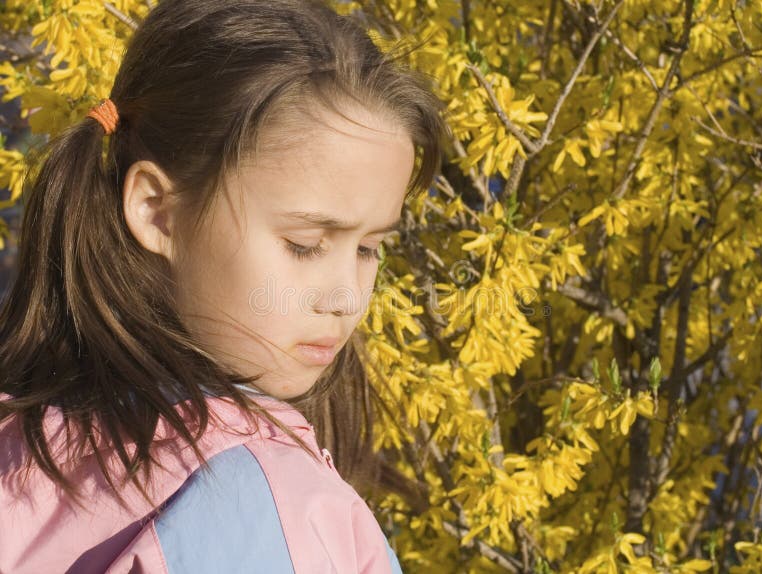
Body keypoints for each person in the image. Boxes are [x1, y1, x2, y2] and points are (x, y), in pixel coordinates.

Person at [0, 0, 448, 572]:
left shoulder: (28, 438)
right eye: (305, 244)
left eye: (367, 250)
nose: (347, 297)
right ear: (158, 212)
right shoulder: (257, 498)